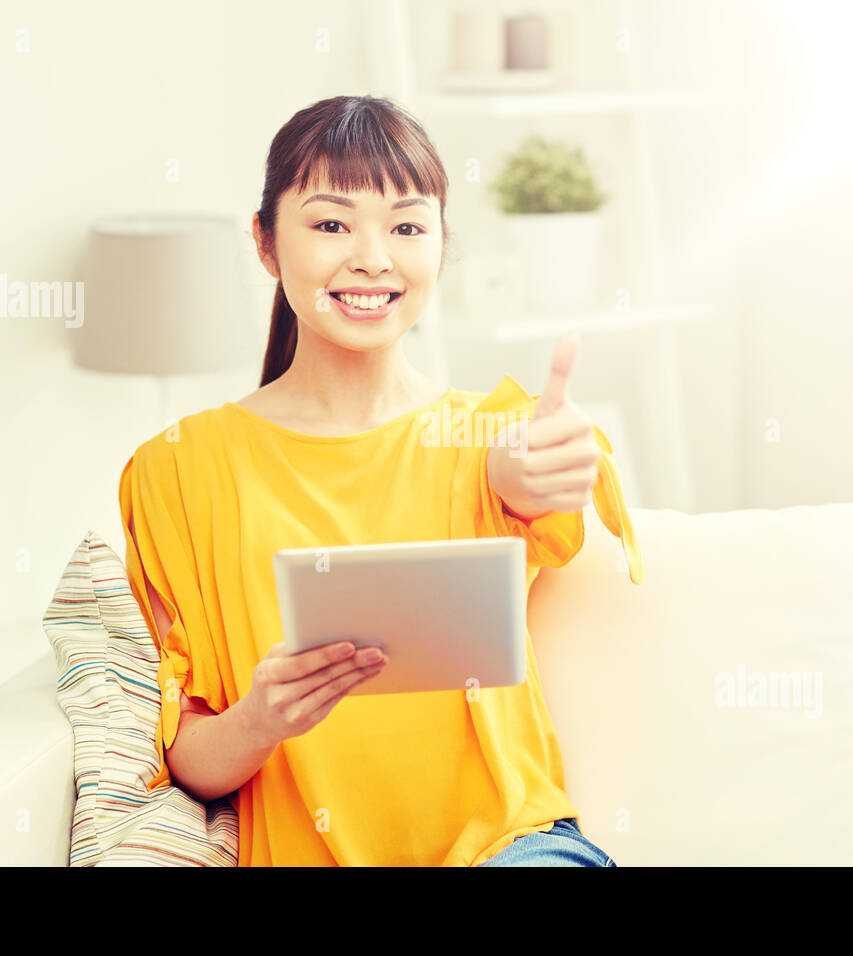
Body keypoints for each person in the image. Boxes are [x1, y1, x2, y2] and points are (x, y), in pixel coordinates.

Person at [119, 94, 644, 866]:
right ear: (265, 244)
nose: (373, 257)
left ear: (440, 244)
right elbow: (191, 755)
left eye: (406, 225)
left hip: (510, 849)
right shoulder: (178, 469)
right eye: (331, 224)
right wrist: (261, 716)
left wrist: (533, 466)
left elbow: (521, 469)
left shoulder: (490, 431)